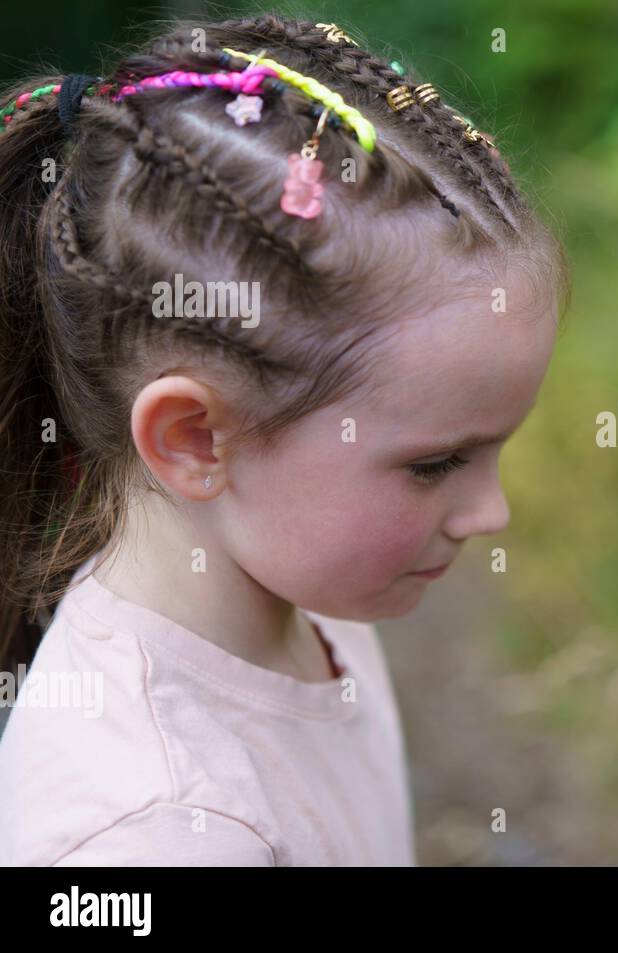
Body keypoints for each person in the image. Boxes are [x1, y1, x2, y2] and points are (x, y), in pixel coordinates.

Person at [0, 13, 568, 865]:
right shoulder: (151, 833)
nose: (492, 513)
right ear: (195, 440)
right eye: (436, 464)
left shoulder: (297, 590)